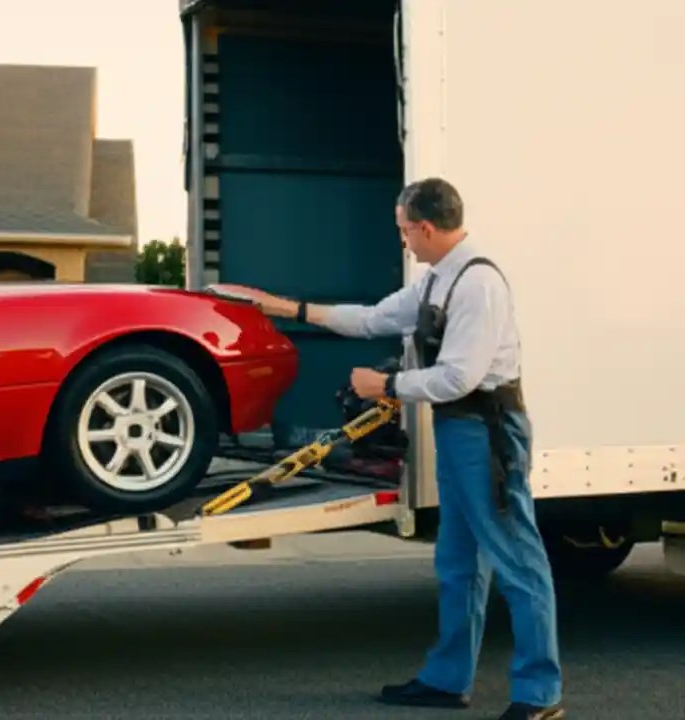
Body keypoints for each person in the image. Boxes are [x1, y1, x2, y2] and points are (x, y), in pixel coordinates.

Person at [208, 177, 564, 720]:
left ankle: (539, 695)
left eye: (403, 230)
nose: (402, 241)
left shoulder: (477, 285)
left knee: (518, 559)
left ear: (425, 227)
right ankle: (447, 681)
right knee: (458, 561)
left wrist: (387, 387)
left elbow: (460, 378)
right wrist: (284, 307)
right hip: (457, 430)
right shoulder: (435, 281)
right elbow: (373, 318)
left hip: (488, 432)